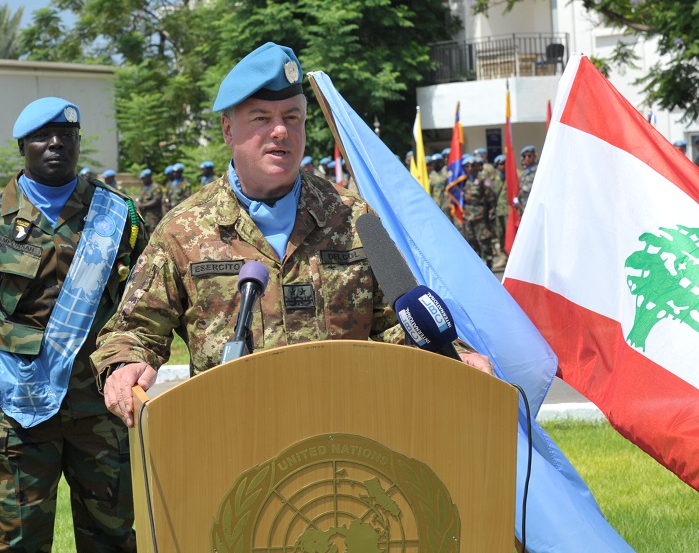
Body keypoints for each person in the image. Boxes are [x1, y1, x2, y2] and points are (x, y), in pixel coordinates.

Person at [90, 42, 493, 427]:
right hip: (231, 439)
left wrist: (453, 355)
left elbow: (398, 319)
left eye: (292, 117)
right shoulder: (184, 229)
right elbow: (134, 328)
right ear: (228, 130)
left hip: (349, 433)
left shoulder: (353, 218)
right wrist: (124, 364)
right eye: (262, 119)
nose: (281, 131)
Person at [0, 97, 144, 553]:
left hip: (101, 406)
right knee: (19, 539)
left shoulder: (119, 216)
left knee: (112, 537)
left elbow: (141, 297)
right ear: (23, 146)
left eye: (67, 136)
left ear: (78, 142)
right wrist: (9, 365)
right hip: (19, 409)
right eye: (42, 137)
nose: (56, 144)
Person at [461, 156, 504, 269]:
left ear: (477, 167)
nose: (470, 168)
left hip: (480, 217)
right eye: (467, 166)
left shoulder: (483, 179)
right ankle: (477, 265)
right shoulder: (464, 180)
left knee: (484, 241)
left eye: (472, 165)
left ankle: (488, 263)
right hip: (468, 216)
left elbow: (491, 198)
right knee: (471, 241)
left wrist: (490, 214)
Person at [135, 168, 164, 233]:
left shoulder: (156, 187)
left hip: (153, 217)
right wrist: (138, 203)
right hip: (144, 216)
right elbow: (139, 199)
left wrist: (143, 205)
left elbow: (156, 201)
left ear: (149, 177)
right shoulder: (144, 188)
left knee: (153, 234)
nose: (142, 180)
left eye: (144, 178)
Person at [514, 145, 538, 219]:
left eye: (529, 156)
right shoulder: (525, 173)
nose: (526, 158)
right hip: (524, 208)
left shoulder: (538, 170)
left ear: (534, 156)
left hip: (534, 207)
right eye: (524, 156)